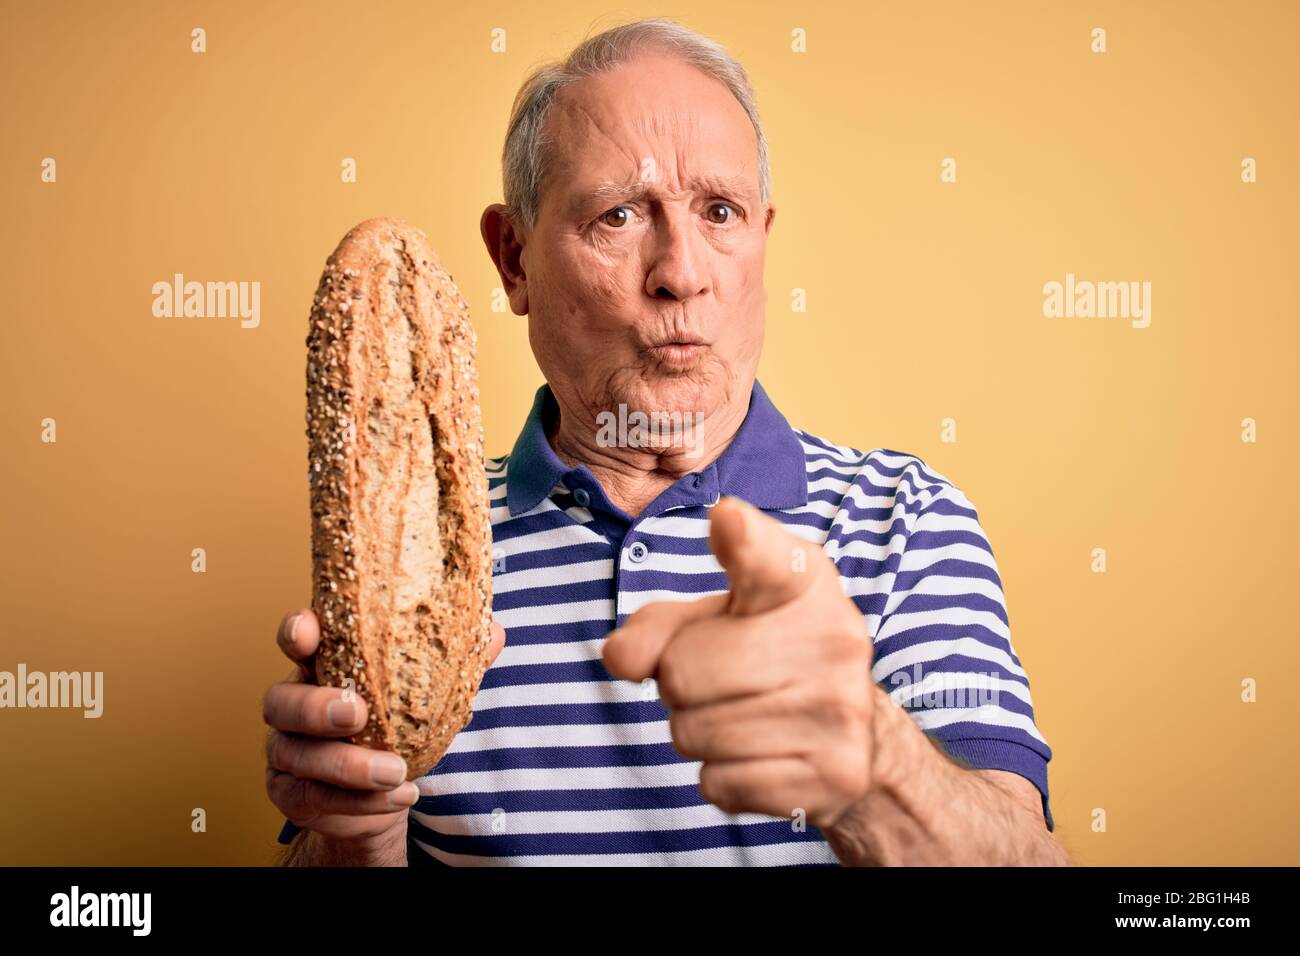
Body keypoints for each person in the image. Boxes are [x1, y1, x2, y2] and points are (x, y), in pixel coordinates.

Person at [263, 16, 1069, 866]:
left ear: (762, 238)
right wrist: (358, 842)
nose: (681, 272)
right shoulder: (411, 562)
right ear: (514, 261)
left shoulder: (903, 522)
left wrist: (872, 763)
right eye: (617, 216)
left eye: (720, 211)